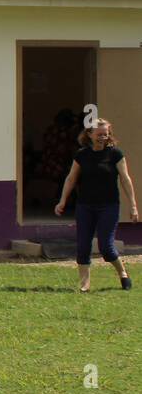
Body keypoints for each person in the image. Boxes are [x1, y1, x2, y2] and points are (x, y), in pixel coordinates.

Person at [54, 119, 137, 292]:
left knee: (106, 247)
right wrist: (63, 200)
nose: (103, 137)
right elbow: (71, 178)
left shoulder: (115, 154)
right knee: (83, 246)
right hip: (85, 206)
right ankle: (85, 284)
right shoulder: (82, 155)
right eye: (99, 134)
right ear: (89, 135)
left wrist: (133, 206)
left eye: (105, 134)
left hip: (109, 206)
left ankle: (123, 273)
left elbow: (125, 179)